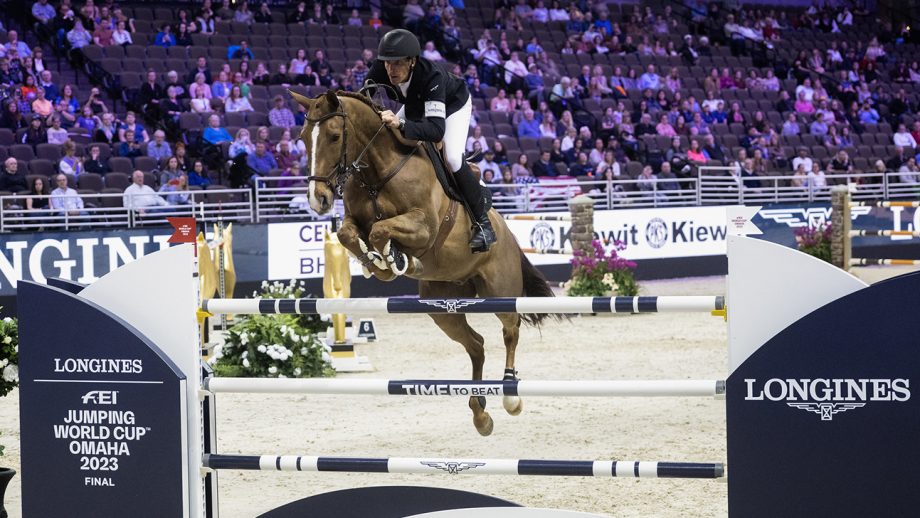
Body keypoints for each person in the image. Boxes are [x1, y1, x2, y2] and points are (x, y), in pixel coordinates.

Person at [364, 29, 494, 252]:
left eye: (396, 64)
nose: (390, 70)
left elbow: (435, 130)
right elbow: (361, 97)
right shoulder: (381, 68)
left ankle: (483, 224)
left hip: (453, 106)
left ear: (412, 61)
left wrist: (401, 124)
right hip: (416, 104)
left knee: (452, 158)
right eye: (387, 63)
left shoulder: (431, 77)